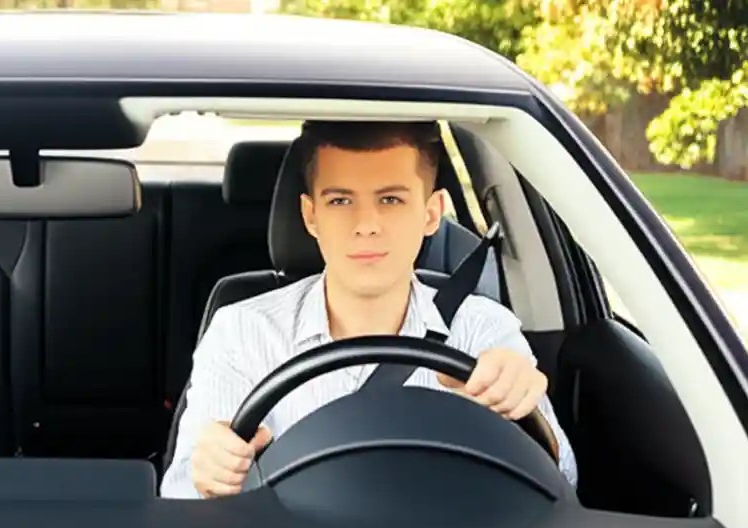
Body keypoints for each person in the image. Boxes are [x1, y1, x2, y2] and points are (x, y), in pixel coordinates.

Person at [161, 120, 577, 499]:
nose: (366, 224)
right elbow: (181, 496)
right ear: (311, 216)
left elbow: (561, 484)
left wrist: (517, 404)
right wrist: (211, 472)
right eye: (341, 201)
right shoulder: (242, 330)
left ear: (431, 213)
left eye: (391, 200)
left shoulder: (483, 331)